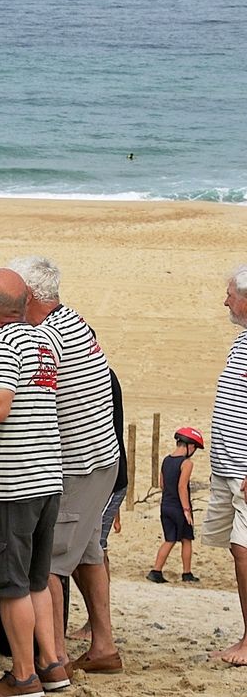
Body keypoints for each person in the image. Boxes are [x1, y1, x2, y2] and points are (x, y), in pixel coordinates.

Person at [9, 256, 122, 676]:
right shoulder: (73, 322)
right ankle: (103, 647)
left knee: (49, 563)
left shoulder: (47, 340)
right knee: (88, 552)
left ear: (28, 297)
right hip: (100, 460)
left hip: (79, 465)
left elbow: (17, 391)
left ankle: (52, 659)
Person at [0, 268, 68, 697]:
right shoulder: (45, 341)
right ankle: (52, 666)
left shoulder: (4, 345)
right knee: (36, 580)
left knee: (10, 586)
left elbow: (0, 406)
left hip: (12, 484)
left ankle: (23, 677)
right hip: (47, 478)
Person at [202, 265, 247, 666]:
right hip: (230, 466)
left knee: (244, 548)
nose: (225, 300)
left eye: (230, 293)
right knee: (237, 549)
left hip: (245, 470)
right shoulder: (242, 341)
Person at [69, 366, 128, 641]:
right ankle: (97, 623)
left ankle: (98, 624)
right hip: (106, 477)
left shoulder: (96, 375)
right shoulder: (103, 372)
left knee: (91, 550)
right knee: (86, 550)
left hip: (105, 478)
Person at [148, 427, 205, 583]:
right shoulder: (186, 463)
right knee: (187, 539)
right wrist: (186, 509)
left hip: (165, 505)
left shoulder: (166, 460)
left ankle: (156, 570)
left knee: (169, 539)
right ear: (190, 446)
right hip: (179, 507)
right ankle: (187, 573)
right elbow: (182, 487)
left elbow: (162, 484)